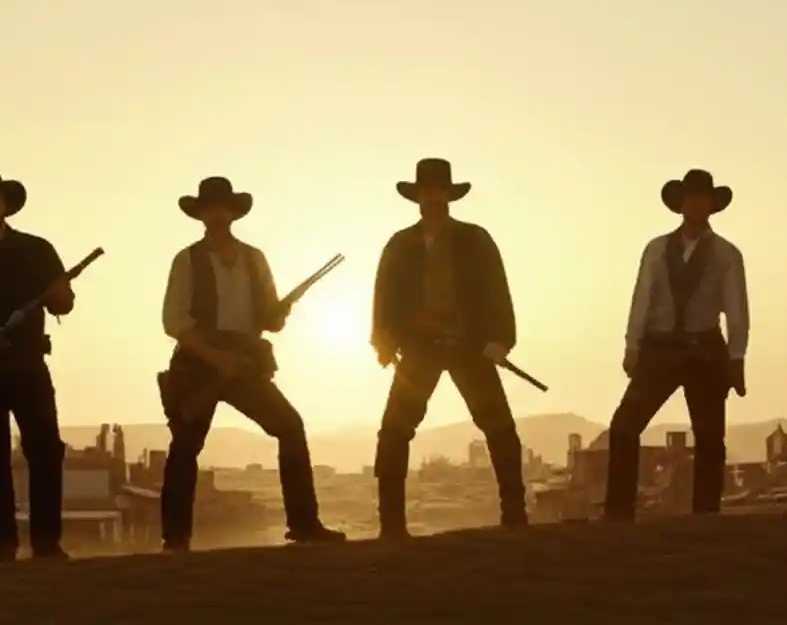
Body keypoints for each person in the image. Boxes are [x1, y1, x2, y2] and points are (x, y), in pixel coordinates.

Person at [159, 176, 344, 551]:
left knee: (289, 427)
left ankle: (304, 525)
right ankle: (175, 537)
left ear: (232, 212)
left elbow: (270, 320)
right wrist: (215, 358)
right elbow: (175, 322)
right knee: (185, 445)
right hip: (199, 362)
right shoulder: (188, 259)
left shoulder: (253, 258)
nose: (217, 214)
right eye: (210, 207)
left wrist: (281, 311)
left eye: (222, 207)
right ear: (202, 214)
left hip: (244, 360)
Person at [371, 158, 527, 538]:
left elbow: (497, 292)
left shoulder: (476, 239)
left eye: (438, 189)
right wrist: (385, 340)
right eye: (426, 190)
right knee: (394, 432)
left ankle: (515, 515)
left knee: (499, 428)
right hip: (419, 346)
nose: (432, 197)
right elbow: (383, 297)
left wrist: (500, 340)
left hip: (469, 345)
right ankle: (391, 526)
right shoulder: (399, 244)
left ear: (447, 194)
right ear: (419, 196)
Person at [603, 169, 749, 522]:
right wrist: (632, 345)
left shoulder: (727, 253)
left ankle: (706, 516)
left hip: (704, 347)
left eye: (703, 199)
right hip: (660, 346)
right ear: (681, 204)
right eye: (691, 198)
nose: (696, 205)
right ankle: (618, 512)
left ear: (711, 206)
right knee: (624, 426)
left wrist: (736, 357)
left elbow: (736, 309)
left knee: (710, 439)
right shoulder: (656, 248)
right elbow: (642, 297)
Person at [0, 175, 75, 562]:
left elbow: (63, 302)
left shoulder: (36, 249)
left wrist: (60, 295)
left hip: (28, 362)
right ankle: (3, 545)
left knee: (46, 451)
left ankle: (47, 542)